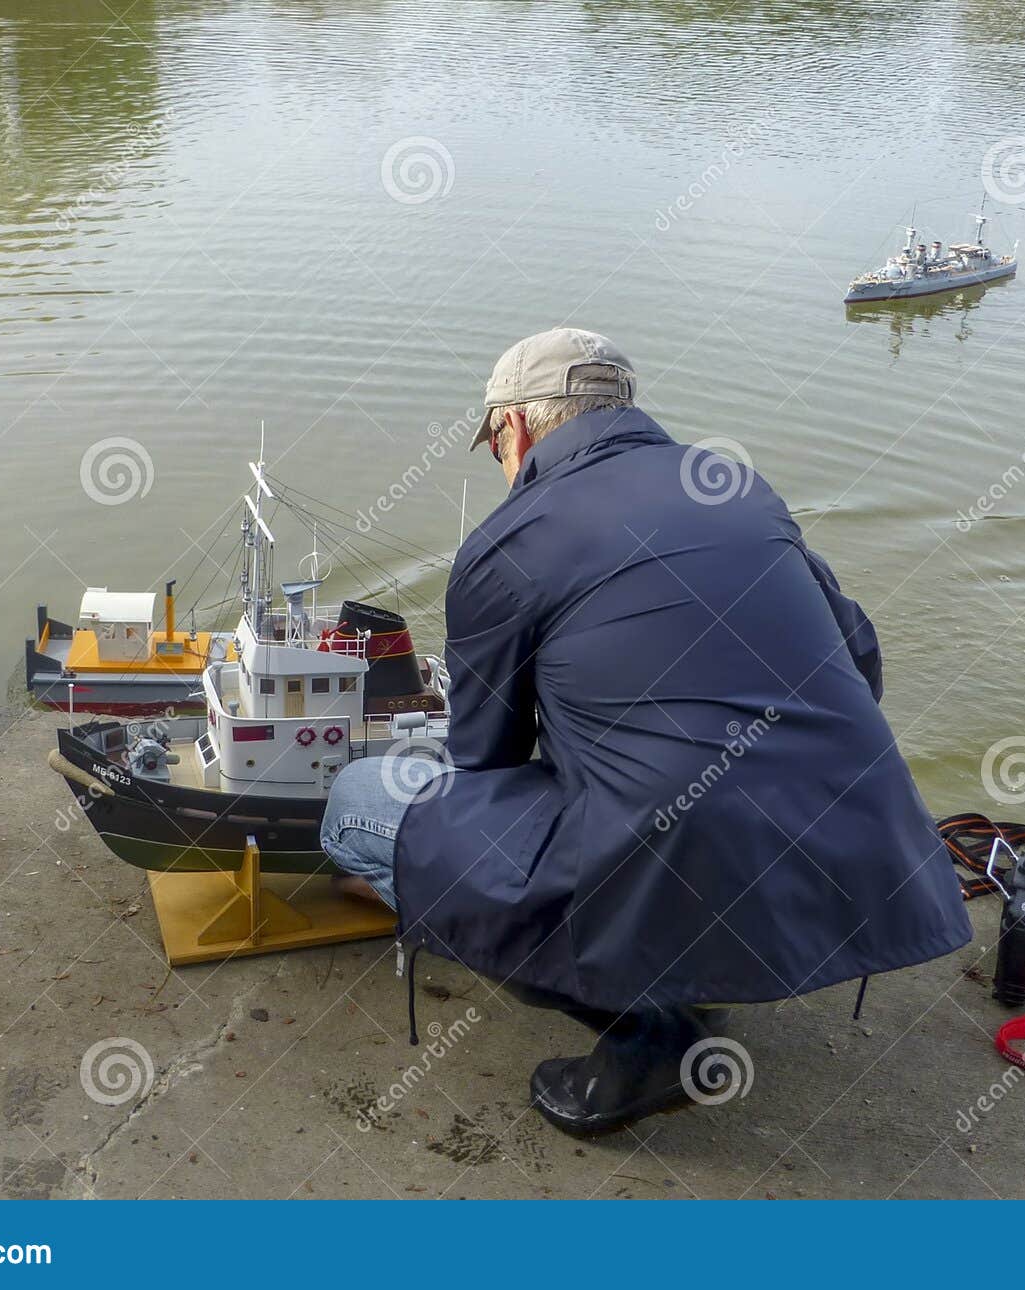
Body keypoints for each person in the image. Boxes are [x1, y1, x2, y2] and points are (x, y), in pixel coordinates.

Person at [321, 327, 971, 1135]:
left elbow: (482, 762)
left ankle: (648, 1036)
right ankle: (699, 964)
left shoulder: (508, 542)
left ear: (516, 429)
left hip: (674, 855)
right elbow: (861, 659)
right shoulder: (735, 484)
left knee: (359, 800)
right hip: (852, 846)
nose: (499, 460)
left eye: (492, 442)